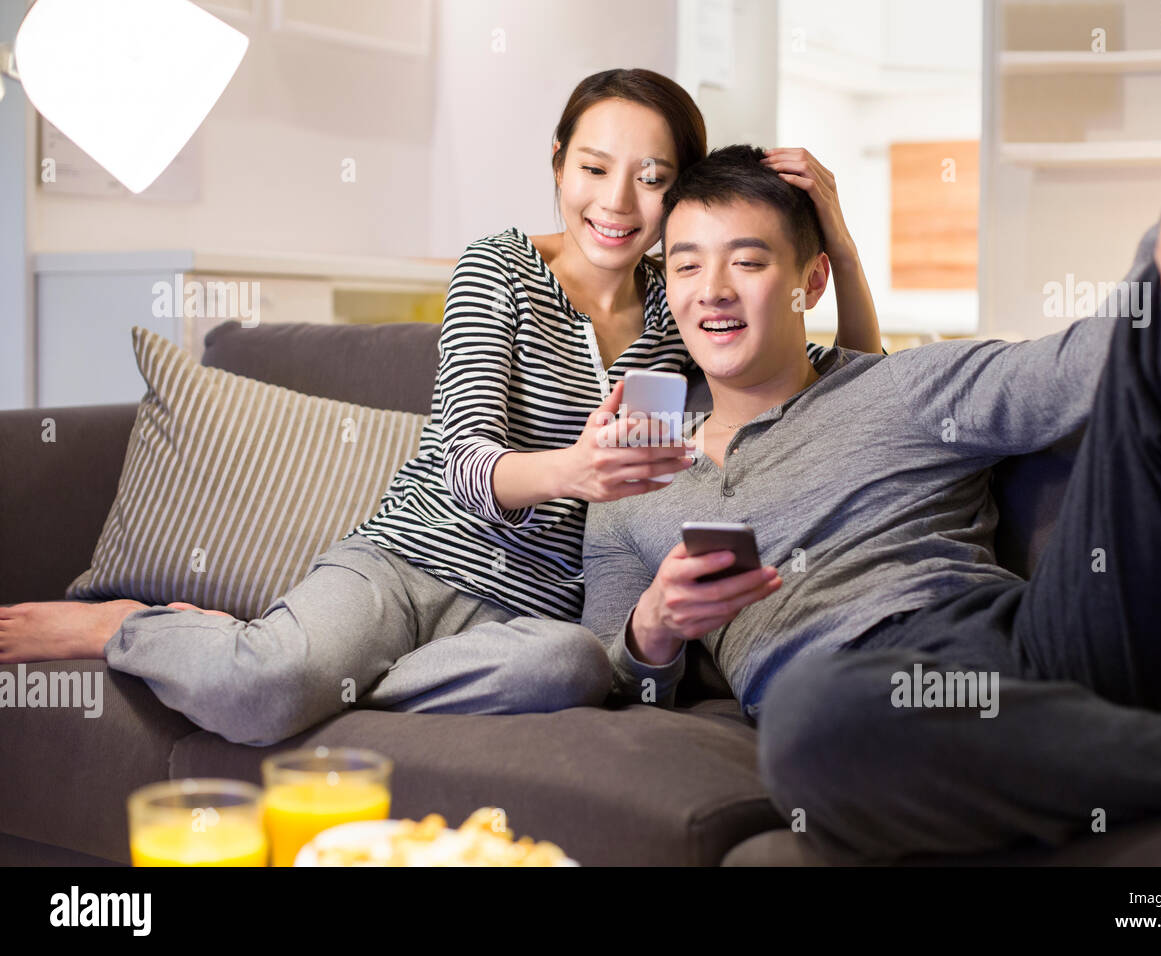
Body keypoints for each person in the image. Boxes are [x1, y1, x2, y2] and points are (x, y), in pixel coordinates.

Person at [0, 69, 882, 747]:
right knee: (258, 696)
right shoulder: (497, 268)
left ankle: (300, 660)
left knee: (577, 665)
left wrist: (834, 240)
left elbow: (852, 382)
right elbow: (462, 461)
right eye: (593, 168)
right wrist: (578, 469)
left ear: (678, 192)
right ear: (557, 164)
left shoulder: (686, 299)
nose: (615, 203)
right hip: (408, 564)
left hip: (528, 622)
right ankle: (140, 630)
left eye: (651, 178)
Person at [580, 144, 1161, 863]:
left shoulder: (903, 387)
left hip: (1043, 646)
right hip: (871, 713)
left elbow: (1097, 354)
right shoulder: (627, 476)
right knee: (810, 719)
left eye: (747, 260)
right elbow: (609, 691)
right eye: (685, 265)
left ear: (812, 280)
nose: (712, 290)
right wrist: (658, 626)